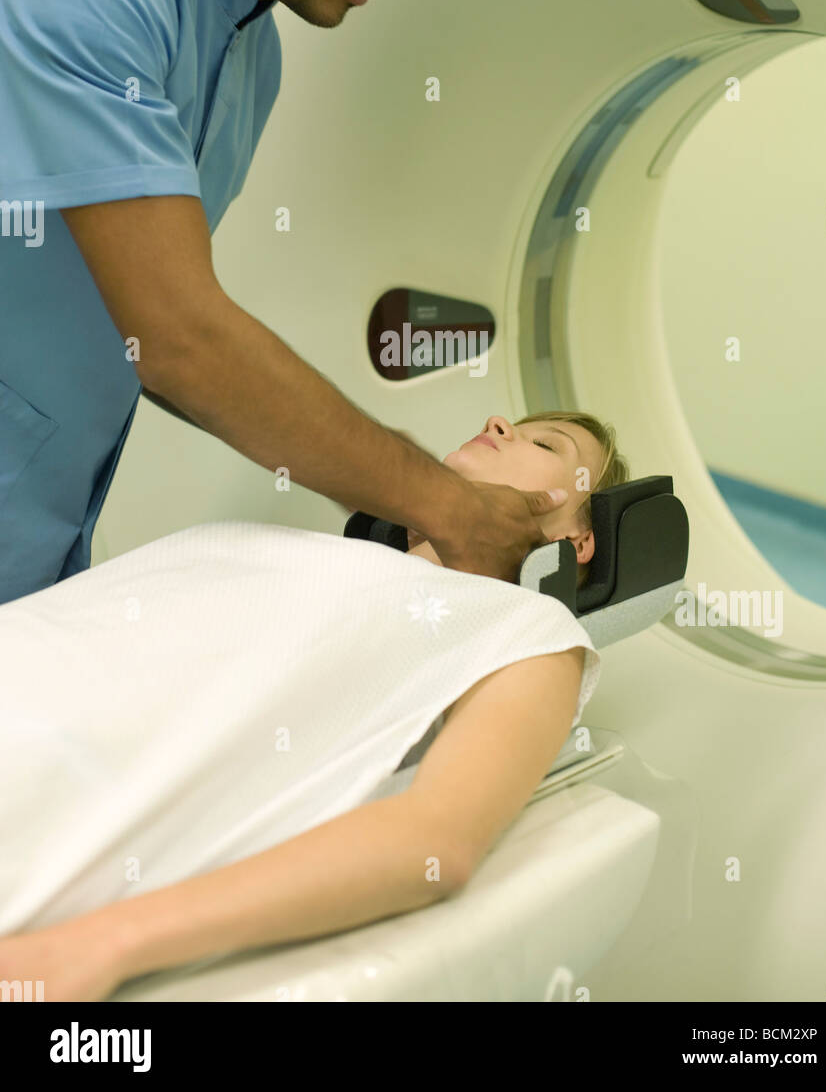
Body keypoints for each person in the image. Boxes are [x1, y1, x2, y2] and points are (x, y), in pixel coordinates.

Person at [0, 0, 560, 606]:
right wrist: (442, 502)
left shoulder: (252, 59)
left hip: (35, 536)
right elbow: (181, 340)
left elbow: (139, 340)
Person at [0, 410, 629, 1002]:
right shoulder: (294, 547)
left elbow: (435, 840)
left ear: (579, 539)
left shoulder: (526, 627)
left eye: (546, 446)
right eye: (511, 424)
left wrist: (99, 946)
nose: (497, 423)